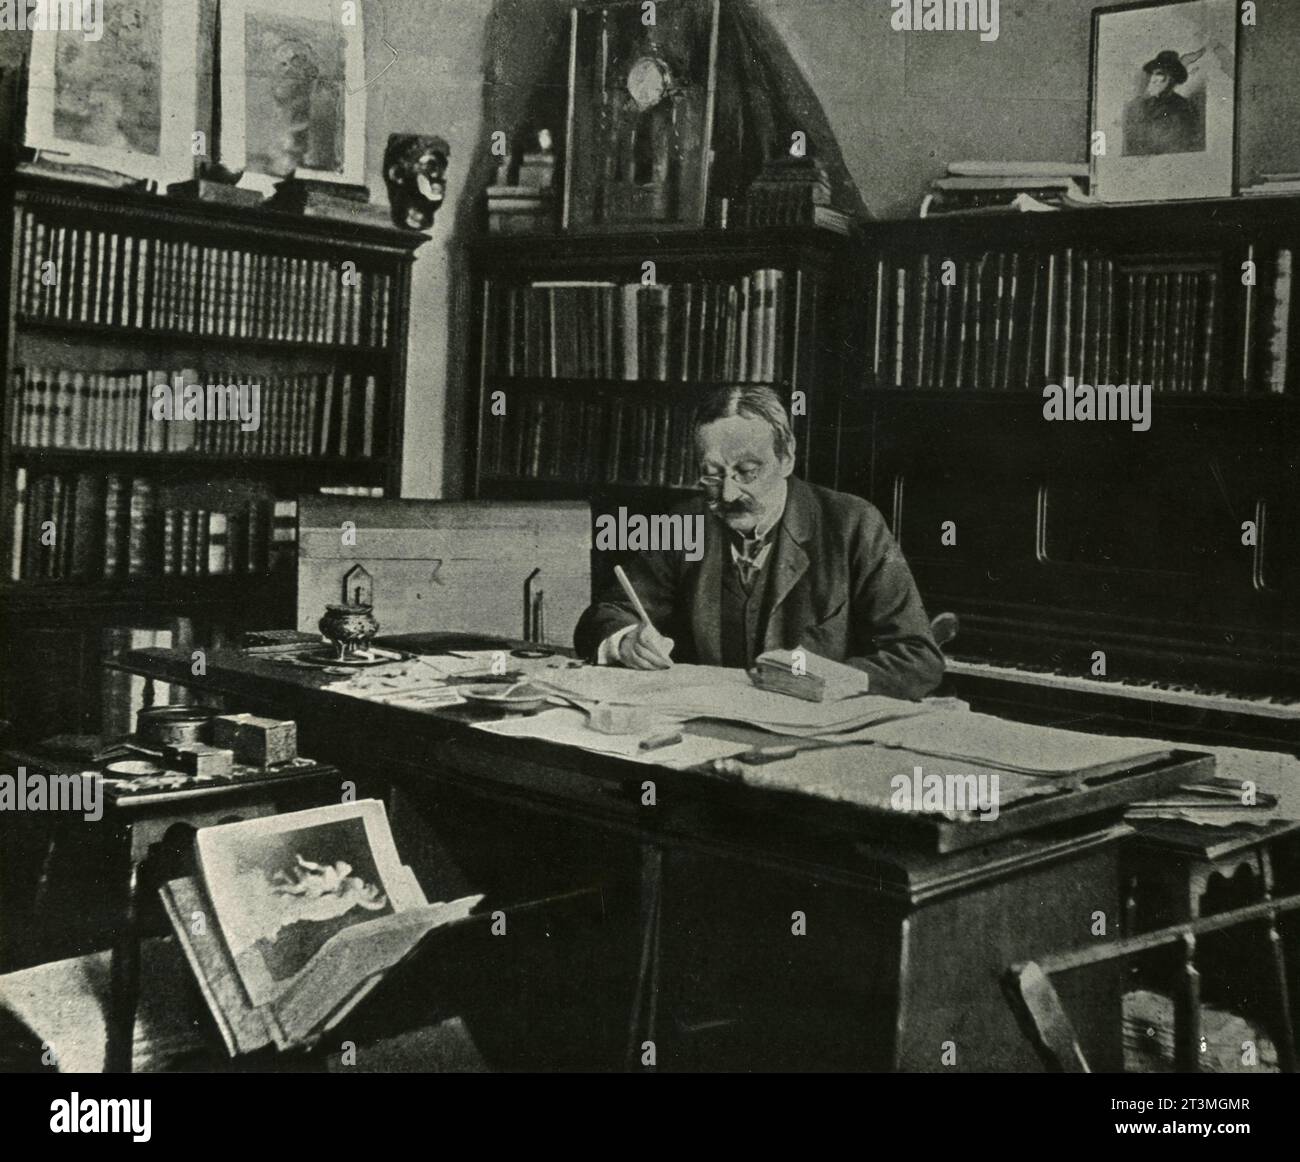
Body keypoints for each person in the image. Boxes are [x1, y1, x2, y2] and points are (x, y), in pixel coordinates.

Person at [574, 385, 944, 701]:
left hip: (815, 737)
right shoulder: (684, 523)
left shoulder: (852, 524)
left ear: (786, 458)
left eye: (747, 472)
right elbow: (606, 615)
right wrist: (625, 641)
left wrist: (842, 678)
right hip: (706, 731)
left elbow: (917, 656)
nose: (729, 493)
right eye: (711, 475)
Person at [1124, 50, 1202, 157]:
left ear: (1172, 78)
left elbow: (1180, 146)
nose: (1153, 80)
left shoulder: (1183, 107)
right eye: (1152, 74)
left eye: (1159, 74)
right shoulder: (1141, 105)